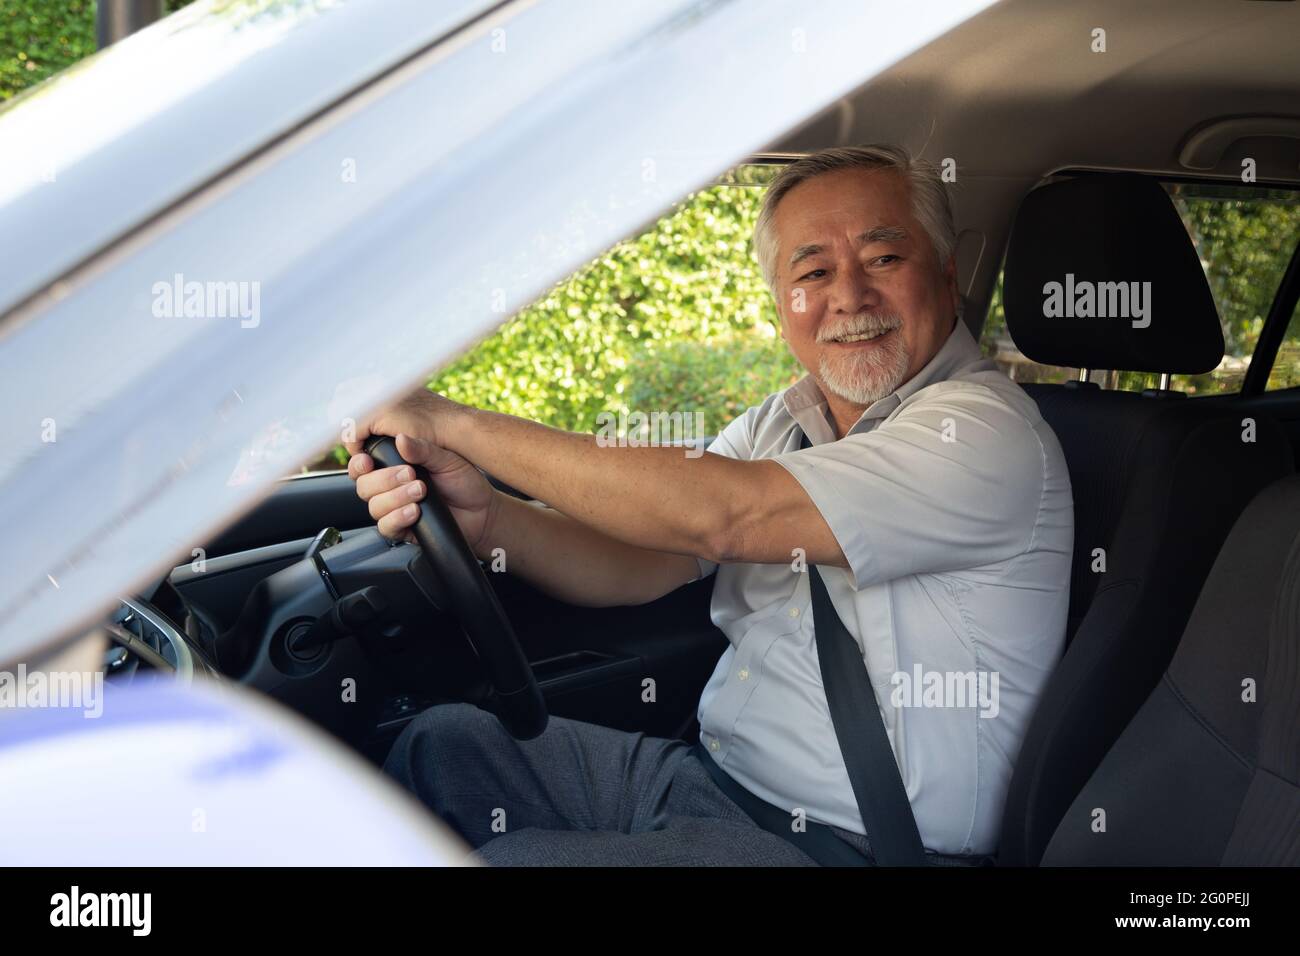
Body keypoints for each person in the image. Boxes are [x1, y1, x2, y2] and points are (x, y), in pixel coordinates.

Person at [345, 144, 1073, 866]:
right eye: (813, 271)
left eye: (884, 259)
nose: (849, 296)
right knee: (444, 748)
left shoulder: (982, 431)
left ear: (946, 276)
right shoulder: (781, 422)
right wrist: (493, 521)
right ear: (781, 305)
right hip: (705, 783)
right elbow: (643, 560)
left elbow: (727, 514)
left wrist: (457, 423)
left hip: (849, 845)